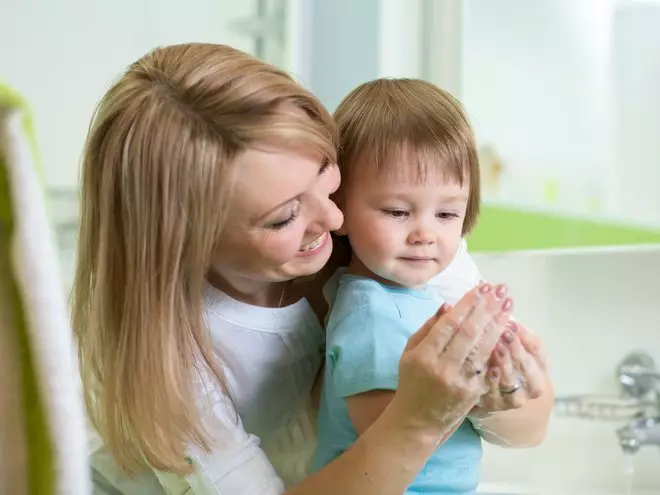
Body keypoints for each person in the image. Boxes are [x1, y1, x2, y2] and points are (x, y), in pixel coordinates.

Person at [73, 43, 551, 495]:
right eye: (284, 217)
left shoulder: (393, 230)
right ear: (186, 242)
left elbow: (530, 427)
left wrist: (498, 399)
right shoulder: (171, 361)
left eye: (326, 173)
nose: (335, 219)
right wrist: (421, 419)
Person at [311, 78, 551, 494]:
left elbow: (529, 426)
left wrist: (499, 381)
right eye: (398, 211)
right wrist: (474, 388)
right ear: (339, 210)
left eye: (446, 215)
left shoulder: (430, 295)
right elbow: (388, 433)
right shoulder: (370, 313)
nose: (425, 234)